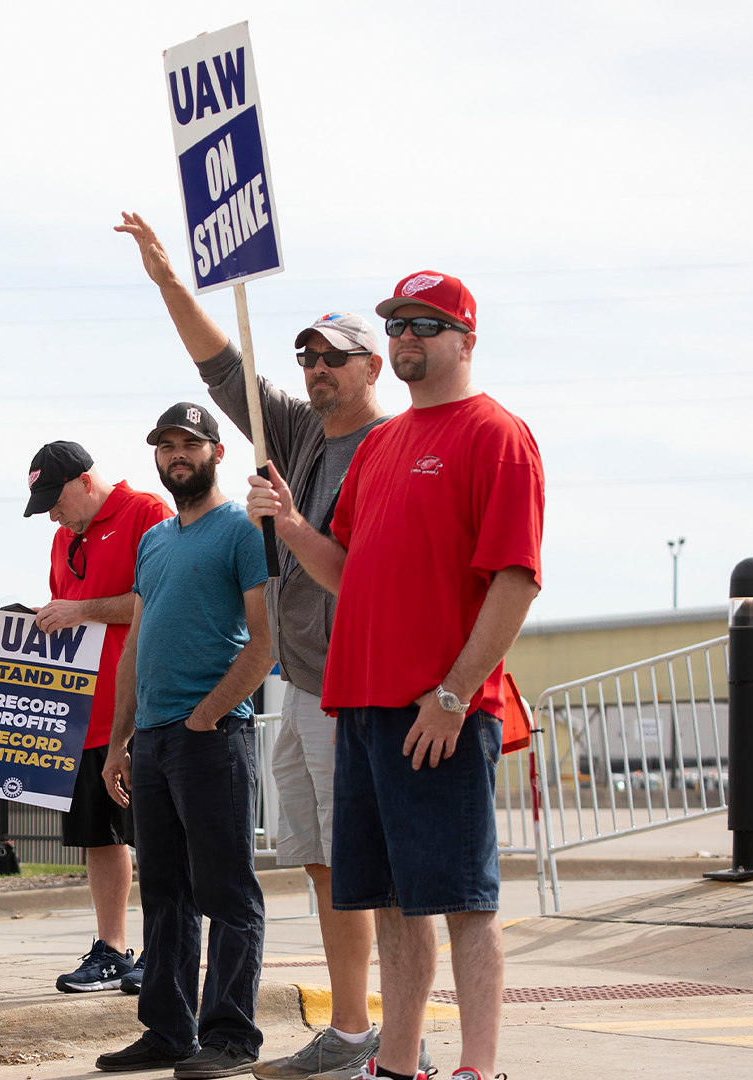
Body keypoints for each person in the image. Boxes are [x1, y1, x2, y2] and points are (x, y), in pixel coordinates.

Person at [115, 211, 413, 1078]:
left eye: (333, 356)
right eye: (306, 358)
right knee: (320, 865)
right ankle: (351, 1029)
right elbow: (220, 366)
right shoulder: (301, 432)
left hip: (358, 683)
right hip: (302, 682)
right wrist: (169, 278)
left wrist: (284, 522)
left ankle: (387, 1040)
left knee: (368, 872)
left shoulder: (392, 447)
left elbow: (376, 573)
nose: (316, 370)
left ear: (372, 365)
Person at [246, 272, 544, 1080]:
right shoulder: (380, 446)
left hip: (437, 711)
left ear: (465, 339)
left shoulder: (497, 435)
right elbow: (345, 570)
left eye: (425, 323)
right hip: (361, 709)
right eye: (397, 324)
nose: (407, 335)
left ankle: (477, 1068)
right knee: (387, 904)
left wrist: (452, 695)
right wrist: (291, 524)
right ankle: (396, 1063)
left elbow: (515, 579)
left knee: (463, 903)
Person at [96, 403, 274, 1080]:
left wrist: (206, 717)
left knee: (226, 892)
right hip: (151, 744)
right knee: (164, 894)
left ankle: (229, 1037)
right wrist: (119, 742)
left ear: (216, 453)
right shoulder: (155, 541)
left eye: (188, 445)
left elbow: (265, 642)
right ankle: (168, 1030)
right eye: (165, 446)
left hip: (213, 739)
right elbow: (136, 644)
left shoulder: (243, 528)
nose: (176, 455)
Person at [22, 440, 174, 994]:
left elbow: (159, 598)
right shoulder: (64, 539)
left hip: (138, 711)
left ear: (85, 481)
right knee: (99, 837)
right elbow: (68, 614)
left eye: (54, 501)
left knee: (154, 837)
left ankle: (165, 951)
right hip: (83, 714)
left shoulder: (147, 514)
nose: (51, 515)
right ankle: (112, 950)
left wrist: (82, 610)